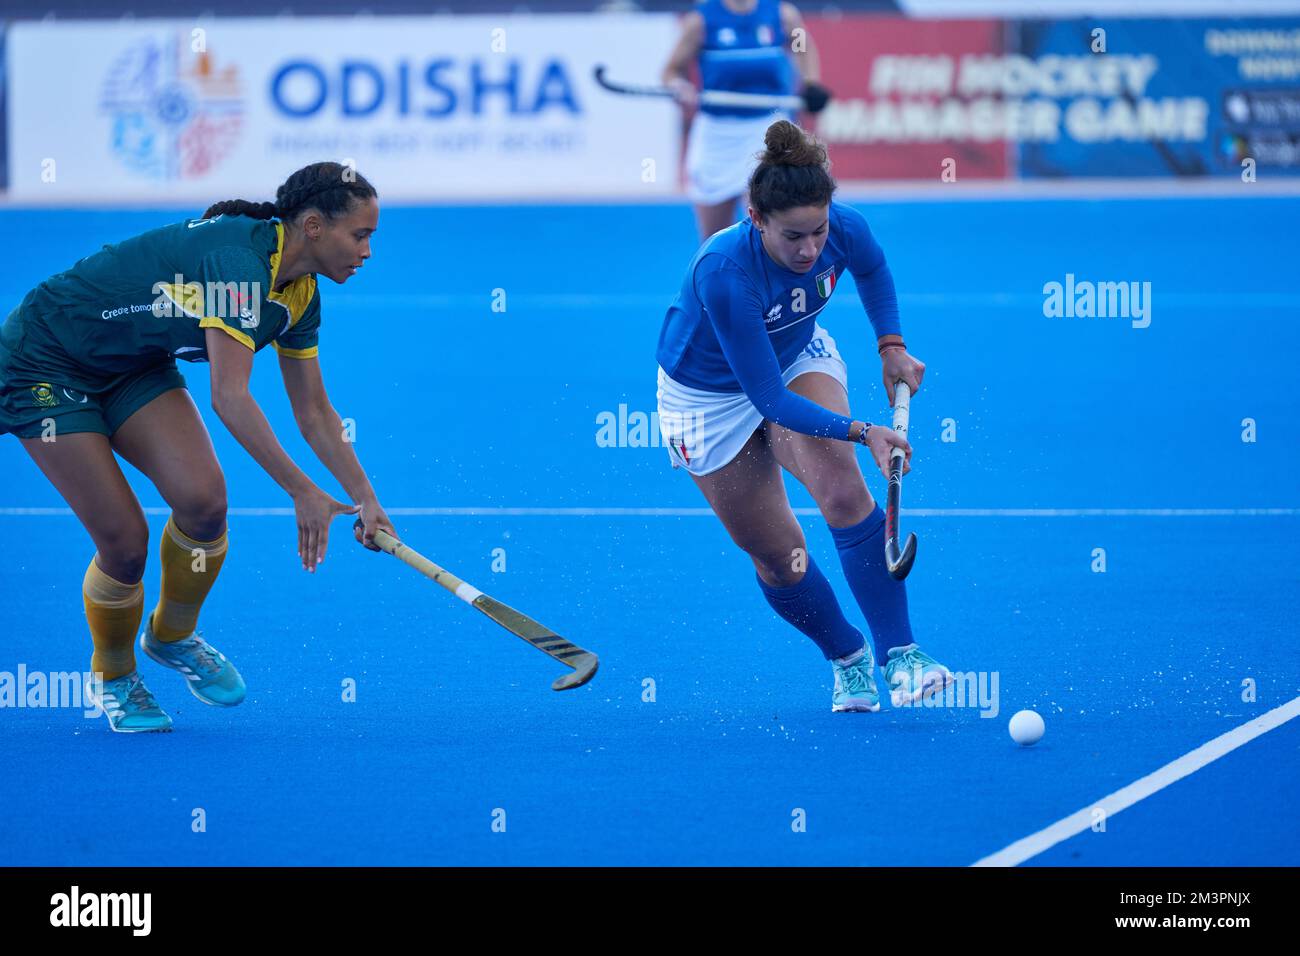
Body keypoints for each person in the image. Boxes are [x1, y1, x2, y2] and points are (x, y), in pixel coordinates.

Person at [0, 161, 396, 732]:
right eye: (360, 235)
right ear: (313, 226)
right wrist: (303, 491)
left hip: (132, 366)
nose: (367, 252)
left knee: (204, 503)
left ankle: (173, 636)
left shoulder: (301, 294)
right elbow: (230, 397)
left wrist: (364, 497)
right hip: (47, 358)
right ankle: (114, 676)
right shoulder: (237, 263)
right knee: (125, 540)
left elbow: (313, 412)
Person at [656, 120, 954, 712]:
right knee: (777, 555)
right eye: (793, 237)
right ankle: (846, 656)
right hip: (707, 402)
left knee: (843, 489)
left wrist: (890, 344)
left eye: (818, 232)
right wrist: (865, 430)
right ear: (754, 217)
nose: (811, 249)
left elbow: (871, 267)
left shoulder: (841, 227)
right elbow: (767, 400)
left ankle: (902, 654)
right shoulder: (724, 272)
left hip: (796, 354)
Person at [661, 0, 831, 241]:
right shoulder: (700, 21)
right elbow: (671, 70)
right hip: (717, 134)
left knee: (764, 229)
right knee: (714, 238)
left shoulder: (783, 15)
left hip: (768, 131)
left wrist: (810, 83)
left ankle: (763, 277)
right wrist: (679, 87)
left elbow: (802, 47)